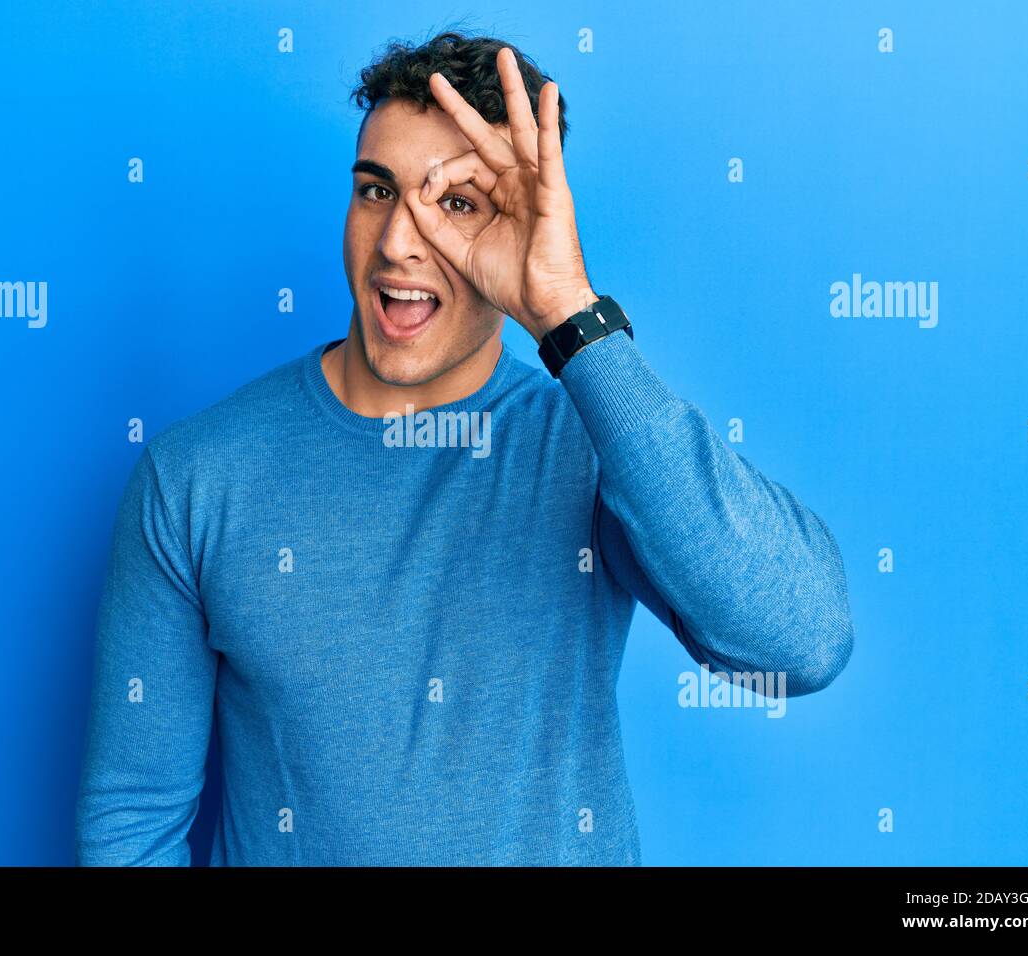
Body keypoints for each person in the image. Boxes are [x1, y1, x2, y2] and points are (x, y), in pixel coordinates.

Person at [74, 30, 854, 866]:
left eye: (455, 203)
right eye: (377, 191)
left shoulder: (590, 449)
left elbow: (801, 642)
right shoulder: (195, 476)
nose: (398, 244)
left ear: (520, 224)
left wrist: (569, 315)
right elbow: (131, 820)